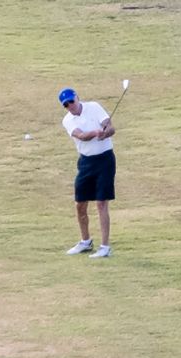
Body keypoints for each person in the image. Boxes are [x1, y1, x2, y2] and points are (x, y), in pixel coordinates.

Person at [59, 87, 116, 259]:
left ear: (77, 97)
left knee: (101, 203)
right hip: (86, 162)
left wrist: (106, 132)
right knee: (80, 203)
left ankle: (105, 247)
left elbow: (111, 127)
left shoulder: (94, 107)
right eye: (66, 105)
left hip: (105, 160)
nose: (70, 106)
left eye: (71, 101)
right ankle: (85, 241)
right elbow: (81, 136)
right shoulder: (68, 120)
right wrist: (95, 132)